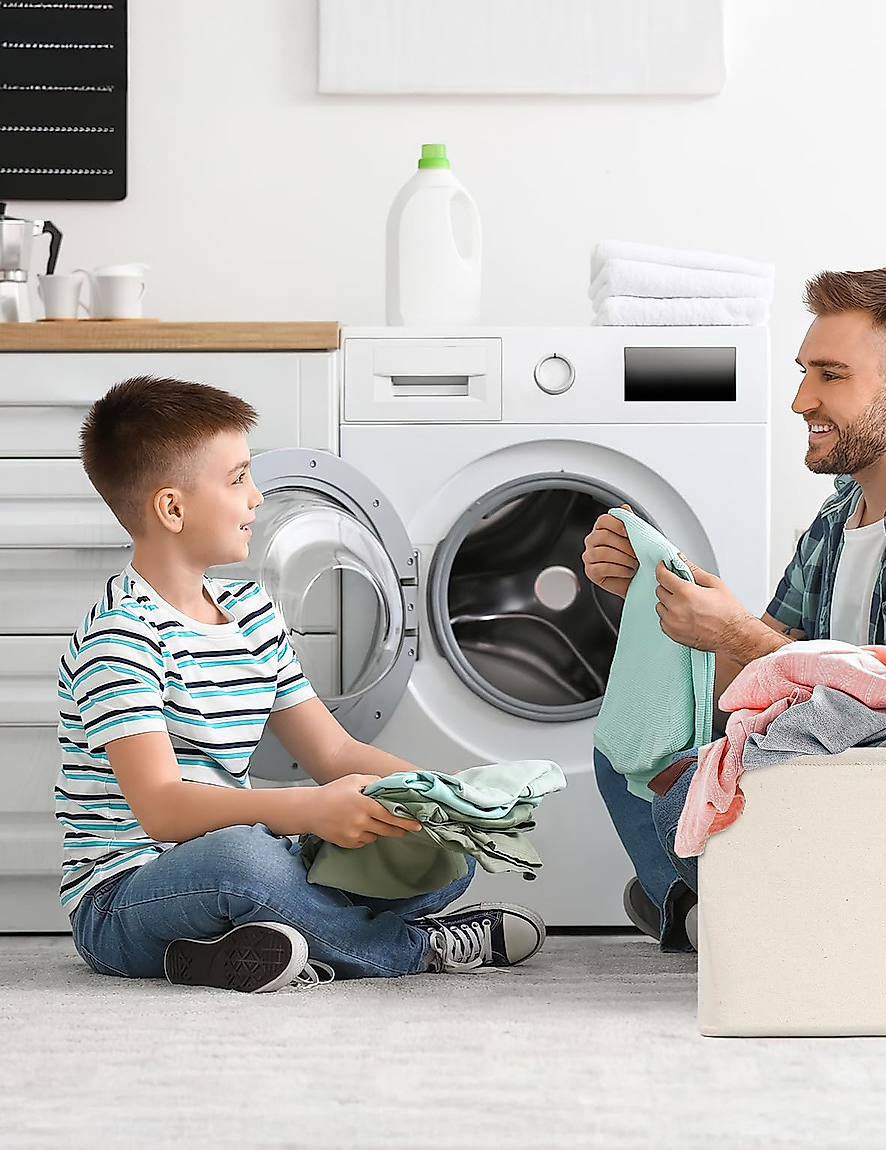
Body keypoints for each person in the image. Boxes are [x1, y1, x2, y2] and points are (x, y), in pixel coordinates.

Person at [582, 267, 886, 951]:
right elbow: (743, 688)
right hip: (861, 795)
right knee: (632, 749)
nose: (799, 401)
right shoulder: (840, 515)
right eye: (803, 373)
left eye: (830, 376)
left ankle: (698, 906)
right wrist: (660, 601)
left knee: (684, 794)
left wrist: (734, 630)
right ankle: (704, 907)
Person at [59, 375, 545, 992]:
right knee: (245, 860)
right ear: (172, 508)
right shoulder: (120, 636)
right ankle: (414, 948)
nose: (257, 496)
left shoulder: (252, 612)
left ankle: (223, 954)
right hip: (123, 898)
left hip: (250, 863)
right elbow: (160, 806)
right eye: (237, 479)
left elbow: (334, 753)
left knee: (439, 854)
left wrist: (443, 800)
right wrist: (310, 812)